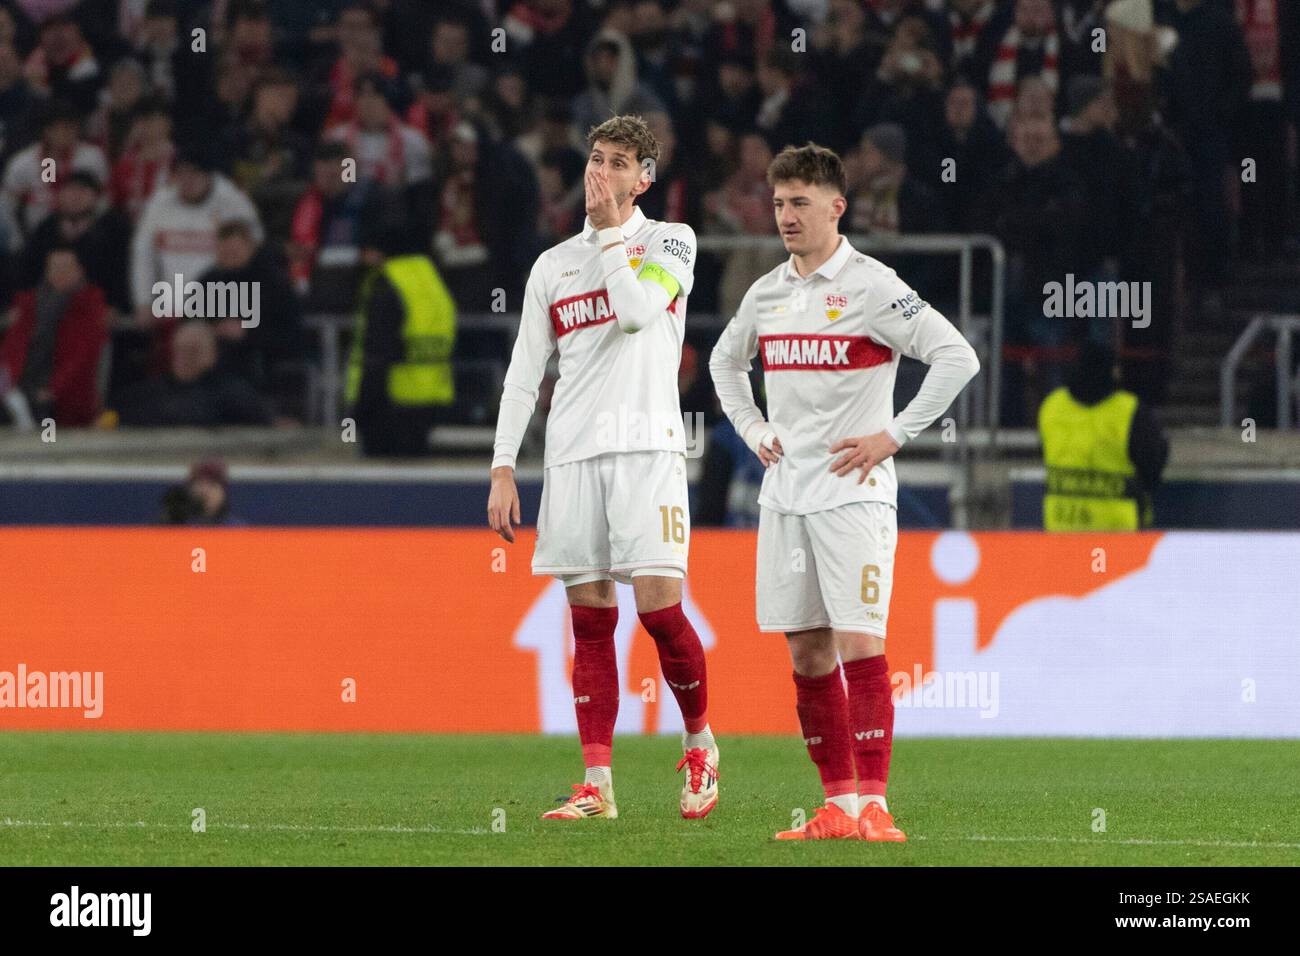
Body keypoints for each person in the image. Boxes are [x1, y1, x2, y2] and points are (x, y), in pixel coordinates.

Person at [709, 142, 980, 842]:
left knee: (860, 644)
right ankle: (836, 805)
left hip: (854, 495)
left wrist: (892, 435)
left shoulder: (874, 286)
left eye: (800, 203)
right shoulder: (768, 292)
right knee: (806, 654)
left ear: (837, 206)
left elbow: (957, 355)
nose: (786, 216)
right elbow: (723, 360)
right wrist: (752, 426)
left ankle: (876, 805)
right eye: (778, 203)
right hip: (786, 497)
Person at [487, 114, 718, 822]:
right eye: (595, 158)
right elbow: (525, 373)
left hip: (647, 449)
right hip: (573, 456)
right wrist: (502, 465)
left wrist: (614, 231)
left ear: (644, 178)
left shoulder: (671, 241)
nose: (602, 172)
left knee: (658, 610)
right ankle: (597, 785)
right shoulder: (552, 265)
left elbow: (635, 313)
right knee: (589, 620)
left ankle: (701, 742)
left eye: (619, 163)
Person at [345, 213, 456, 457]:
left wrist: (362, 409)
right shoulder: (431, 278)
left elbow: (376, 353)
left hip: (389, 405)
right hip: (430, 401)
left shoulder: (386, 283)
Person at [1038, 340, 1168, 530]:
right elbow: (1153, 465)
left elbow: (1044, 452)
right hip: (1118, 532)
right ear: (1112, 370)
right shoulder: (1130, 411)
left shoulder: (1052, 406)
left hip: (1061, 527)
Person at [0, 244, 108, 427]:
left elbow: (82, 357)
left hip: (62, 393)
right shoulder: (29, 304)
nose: (59, 273)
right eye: (54, 268)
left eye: (65, 268)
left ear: (79, 271)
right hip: (22, 385)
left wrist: (52, 390)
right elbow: (11, 349)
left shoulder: (89, 305)